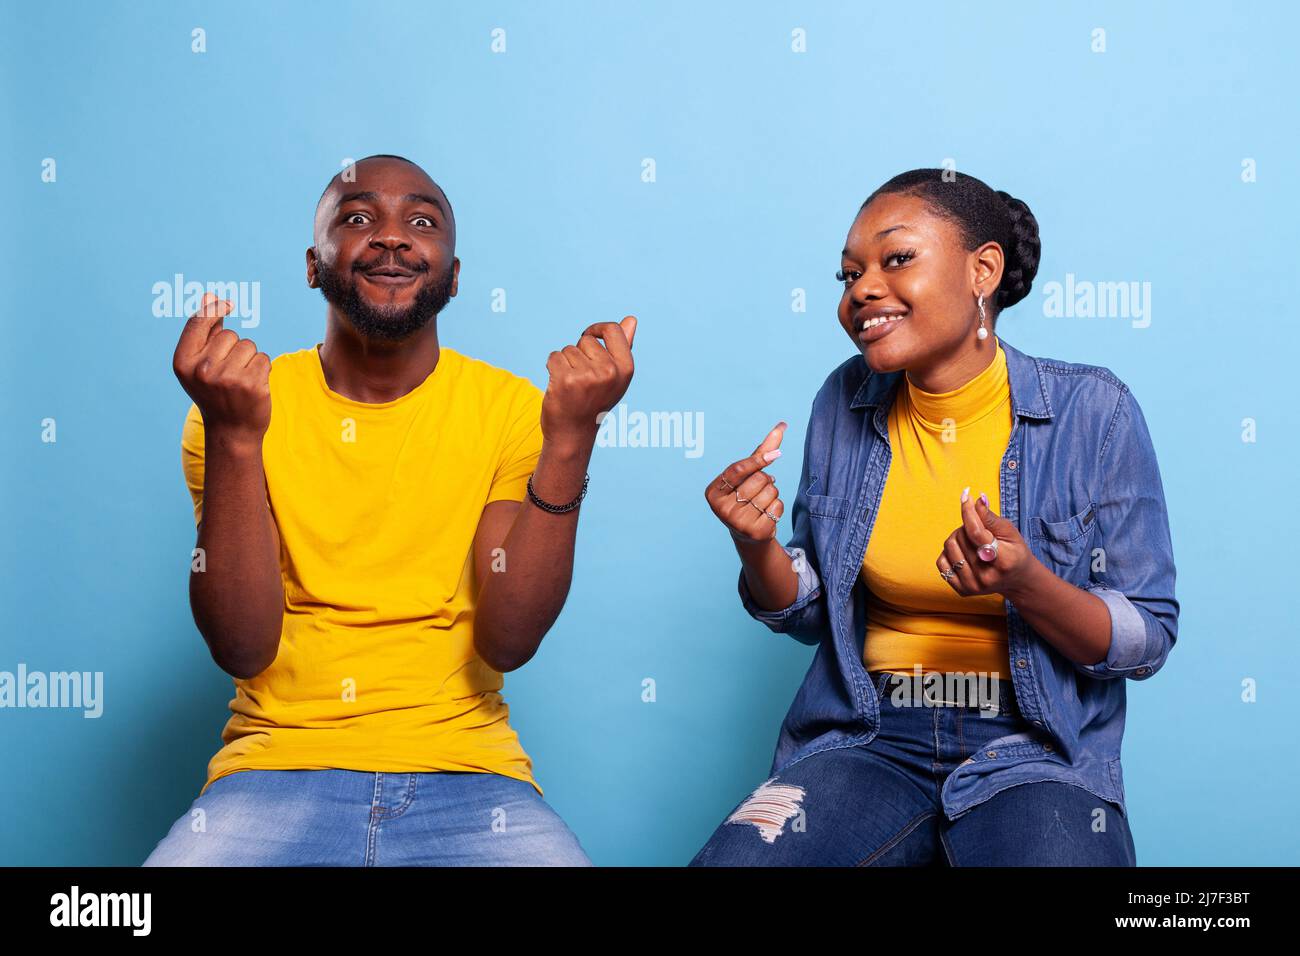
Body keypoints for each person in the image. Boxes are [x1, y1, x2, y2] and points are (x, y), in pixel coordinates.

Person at [144, 154, 636, 866]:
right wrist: (233, 436)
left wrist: (571, 440)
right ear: (314, 265)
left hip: (469, 776)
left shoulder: (507, 410)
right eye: (358, 217)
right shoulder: (241, 401)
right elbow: (243, 645)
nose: (394, 237)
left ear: (454, 274)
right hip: (276, 770)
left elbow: (509, 640)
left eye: (422, 221)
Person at [692, 168, 1177, 866]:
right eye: (848, 274)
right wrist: (756, 545)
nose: (862, 289)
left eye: (896, 260)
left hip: (1035, 748)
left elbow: (1147, 636)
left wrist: (1026, 584)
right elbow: (808, 605)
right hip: (869, 735)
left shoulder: (1093, 413)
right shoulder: (846, 399)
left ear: (982, 270)